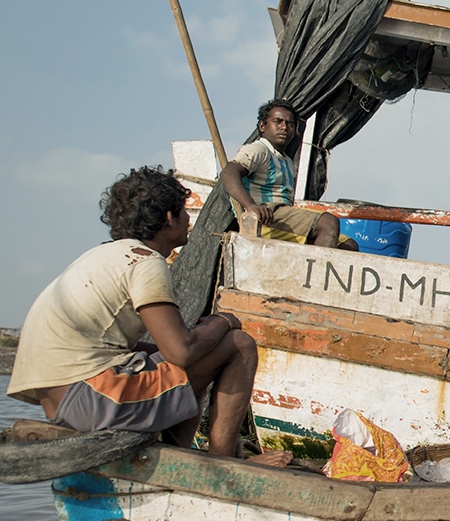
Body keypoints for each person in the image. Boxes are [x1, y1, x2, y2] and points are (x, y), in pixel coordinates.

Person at [7, 167, 291, 466]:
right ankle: (223, 463)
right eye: (183, 212)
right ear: (169, 218)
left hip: (64, 402)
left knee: (197, 355)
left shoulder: (101, 256)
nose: (189, 220)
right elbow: (181, 351)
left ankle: (180, 455)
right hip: (92, 398)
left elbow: (122, 347)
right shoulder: (144, 261)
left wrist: (201, 342)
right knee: (238, 343)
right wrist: (223, 321)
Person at [221, 99, 353, 249]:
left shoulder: (286, 160)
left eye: (290, 124)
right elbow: (228, 174)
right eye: (278, 121)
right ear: (263, 126)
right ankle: (313, 272)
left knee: (348, 245)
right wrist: (251, 206)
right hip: (266, 216)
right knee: (328, 223)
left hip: (284, 217)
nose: (284, 127)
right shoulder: (259, 150)